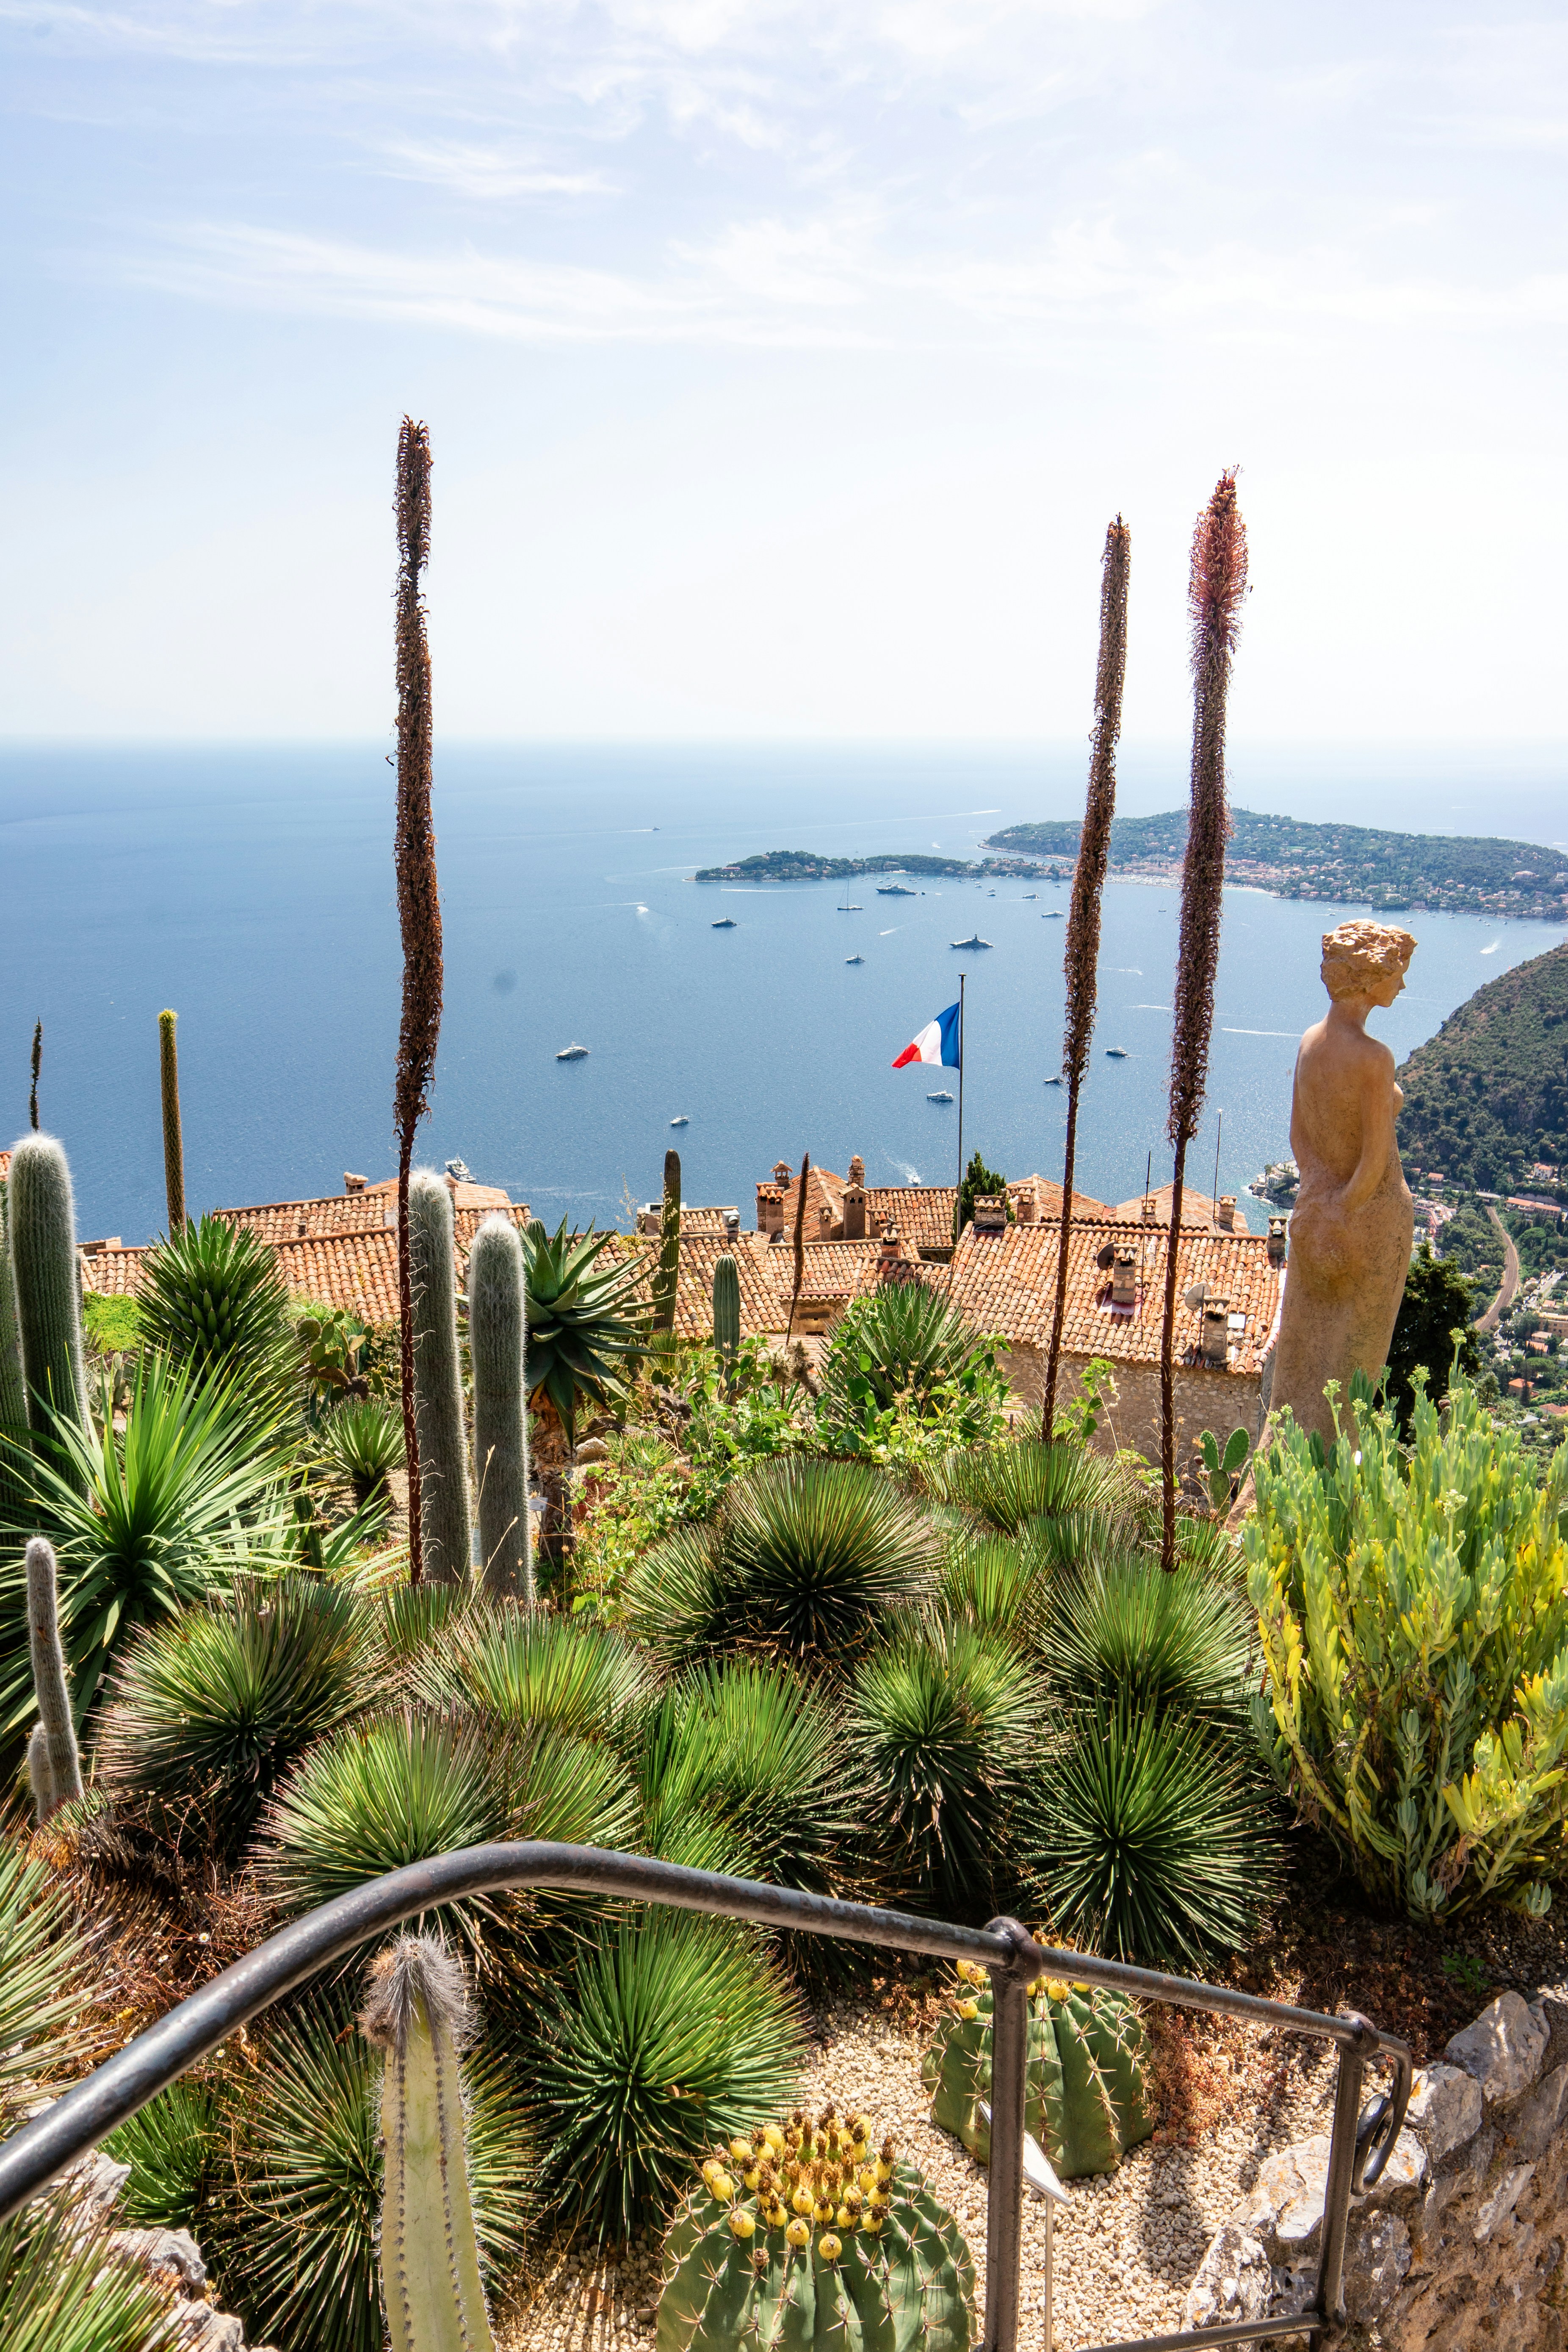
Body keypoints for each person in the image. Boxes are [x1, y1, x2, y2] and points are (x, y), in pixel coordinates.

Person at [1266, 920, 1417, 1450]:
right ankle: (1326, 1494)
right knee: (1353, 1376)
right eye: (1397, 973)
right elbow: (1375, 1157)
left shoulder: (1311, 1041)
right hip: (1371, 1221)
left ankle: (1269, 1487)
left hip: (1314, 1213)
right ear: (1369, 976)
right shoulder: (1374, 1058)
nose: (1401, 985)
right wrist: (1346, 1207)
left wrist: (1319, 1201)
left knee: (1298, 1375)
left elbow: (1297, 1136)